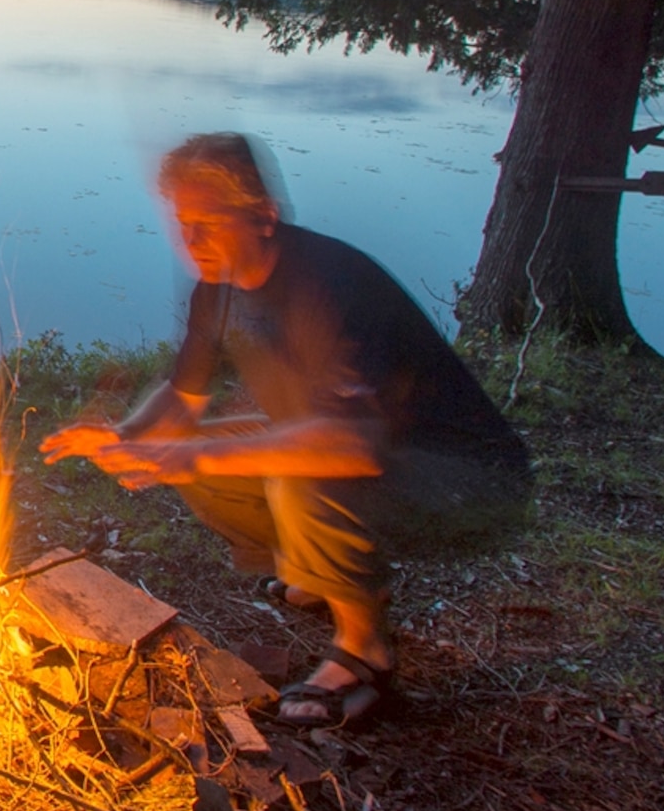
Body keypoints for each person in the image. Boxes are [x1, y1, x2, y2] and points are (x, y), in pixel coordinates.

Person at [41, 133, 531, 726]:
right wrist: (128, 438)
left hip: (465, 476)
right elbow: (184, 398)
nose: (192, 241)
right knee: (203, 452)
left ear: (264, 216)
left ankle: (364, 653)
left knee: (296, 471)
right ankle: (319, 573)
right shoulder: (217, 288)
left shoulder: (328, 285)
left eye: (208, 224)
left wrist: (190, 456)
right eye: (183, 223)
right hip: (361, 446)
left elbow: (352, 447)